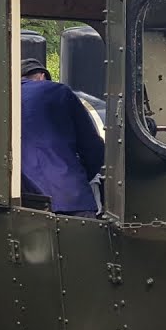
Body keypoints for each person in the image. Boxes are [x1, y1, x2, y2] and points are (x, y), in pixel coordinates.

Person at [18, 58, 104, 217]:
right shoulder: (59, 91)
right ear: (42, 76)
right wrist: (82, 176)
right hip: (70, 196)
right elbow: (93, 147)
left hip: (22, 200)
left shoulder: (2, 98)